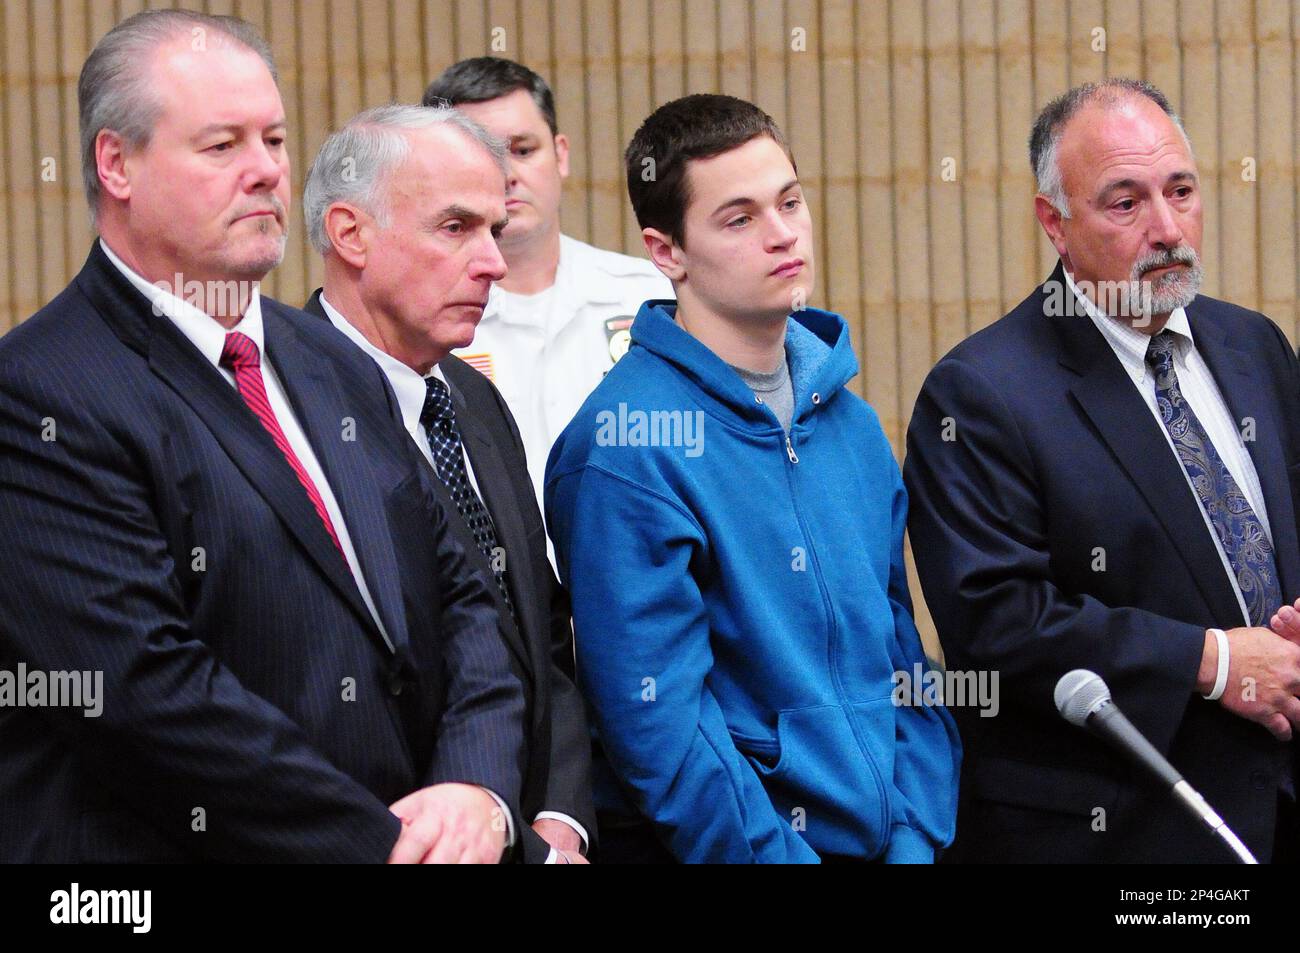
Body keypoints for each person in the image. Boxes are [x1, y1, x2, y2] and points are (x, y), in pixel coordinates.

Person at [0, 9, 523, 863]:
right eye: (222, 147)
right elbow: (147, 695)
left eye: (275, 141)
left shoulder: (331, 355)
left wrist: (477, 791)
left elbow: (463, 598)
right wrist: (390, 845)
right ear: (116, 163)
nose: (266, 173)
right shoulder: (38, 394)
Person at [544, 93, 961, 863]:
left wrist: (913, 837)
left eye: (791, 202)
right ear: (666, 252)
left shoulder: (852, 423)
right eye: (738, 219)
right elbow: (661, 731)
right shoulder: (624, 449)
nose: (783, 235)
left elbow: (901, 653)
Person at [904, 79, 1300, 863]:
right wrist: (1214, 661)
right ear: (1055, 222)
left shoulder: (1252, 344)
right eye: (1125, 203)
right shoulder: (982, 392)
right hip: (1126, 830)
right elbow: (998, 622)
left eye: (1181, 191)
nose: (1167, 229)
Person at [301, 104, 595, 864]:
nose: (494, 261)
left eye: (496, 229)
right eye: (456, 227)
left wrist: (560, 817)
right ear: (350, 233)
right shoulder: (281, 416)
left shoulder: (470, 396)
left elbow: (540, 634)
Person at [423, 57, 673, 508]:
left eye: (523, 149)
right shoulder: (422, 322)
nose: (508, 174)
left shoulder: (650, 296)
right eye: (484, 154)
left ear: (560, 153)